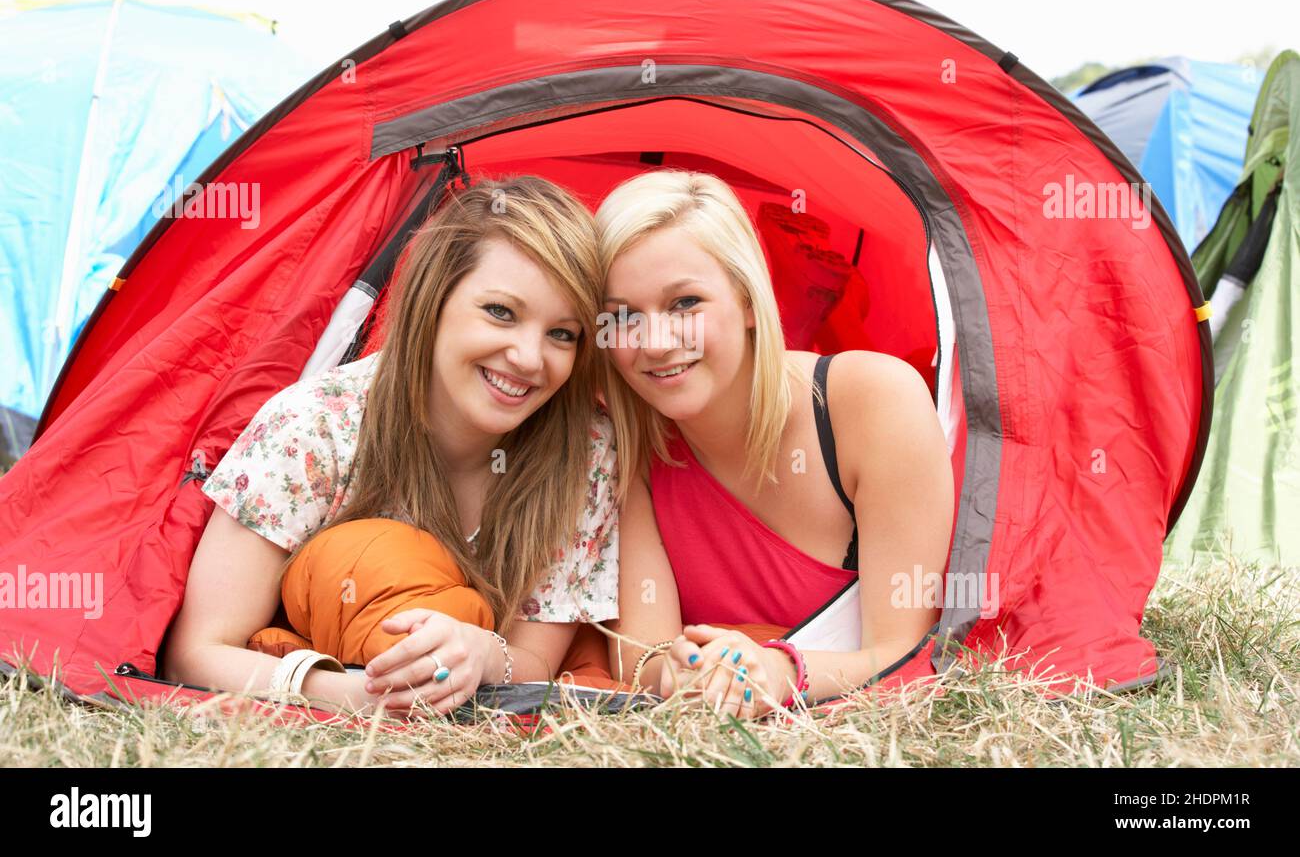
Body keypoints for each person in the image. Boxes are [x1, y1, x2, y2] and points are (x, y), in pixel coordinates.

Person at [165, 176, 619, 717]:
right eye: (501, 312)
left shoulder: (586, 453)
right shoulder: (316, 427)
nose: (527, 357)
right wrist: (360, 694)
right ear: (434, 299)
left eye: (562, 333)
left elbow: (536, 659)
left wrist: (485, 654)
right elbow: (195, 654)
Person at [597, 170, 953, 718]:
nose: (657, 343)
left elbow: (906, 652)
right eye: (623, 316)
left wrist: (779, 671)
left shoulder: (872, 401)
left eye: (685, 303)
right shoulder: (629, 445)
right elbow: (640, 656)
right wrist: (684, 671)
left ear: (747, 301)